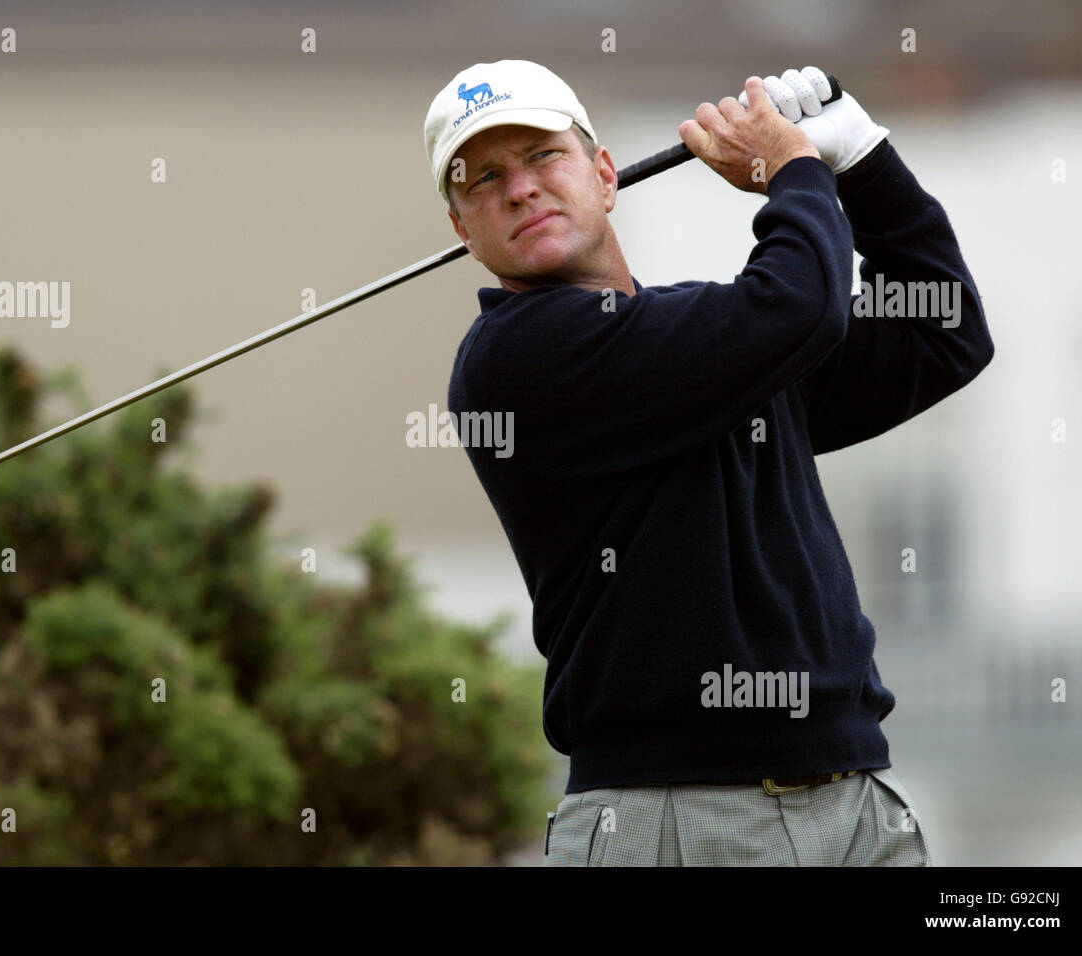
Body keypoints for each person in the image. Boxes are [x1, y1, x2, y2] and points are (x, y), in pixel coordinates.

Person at [424, 59, 993, 866]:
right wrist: (794, 169)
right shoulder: (515, 360)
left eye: (543, 156)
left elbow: (945, 331)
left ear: (605, 175)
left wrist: (864, 160)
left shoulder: (709, 341)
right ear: (462, 228)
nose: (520, 189)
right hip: (673, 818)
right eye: (484, 178)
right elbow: (797, 305)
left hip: (855, 800)